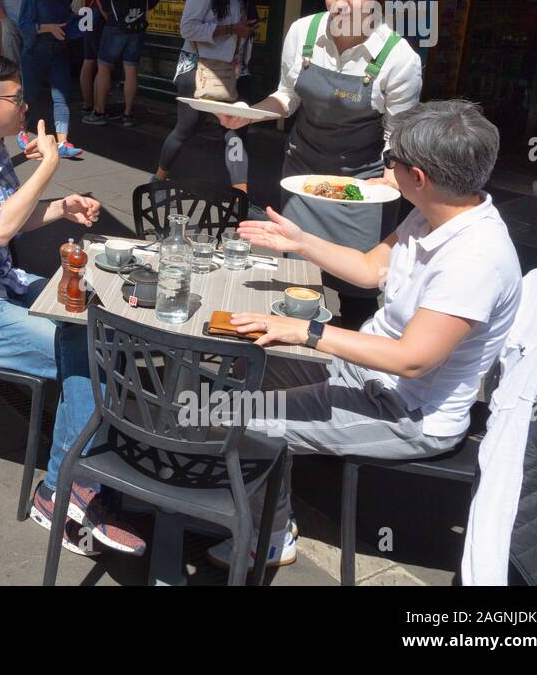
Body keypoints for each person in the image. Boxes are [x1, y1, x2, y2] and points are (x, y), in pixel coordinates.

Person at [215, 100, 521, 570]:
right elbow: (367, 269)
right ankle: (259, 495)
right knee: (246, 362)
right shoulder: (435, 212)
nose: (385, 169)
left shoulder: (475, 258)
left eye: (391, 162)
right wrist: (300, 242)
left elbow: (411, 360)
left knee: (247, 419)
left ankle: (271, 534)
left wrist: (307, 331)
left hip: (407, 412)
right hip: (364, 372)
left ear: (418, 177)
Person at [0, 52, 145, 556]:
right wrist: (51, 168)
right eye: (18, 99)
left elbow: (9, 218)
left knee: (110, 318)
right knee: (89, 352)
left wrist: (60, 206)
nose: (26, 105)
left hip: (2, 282)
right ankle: (62, 492)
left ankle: (101, 463)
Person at [216, 0, 423, 329]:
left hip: (361, 188)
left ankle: (347, 370)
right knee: (297, 280)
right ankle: (292, 359)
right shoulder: (303, 33)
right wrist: (249, 114)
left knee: (357, 291)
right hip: (303, 175)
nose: (341, 2)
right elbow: (287, 97)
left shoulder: (399, 59)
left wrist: (395, 178)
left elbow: (398, 135)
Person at [154, 0, 258, 195]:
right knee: (185, 129)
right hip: (201, 70)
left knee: (237, 133)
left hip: (235, 71)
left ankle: (241, 195)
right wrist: (232, 29)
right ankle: (158, 179)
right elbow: (187, 29)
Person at [89, 0, 164, 127]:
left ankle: (99, 111)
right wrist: (144, 8)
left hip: (115, 22)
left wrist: (110, 12)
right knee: (131, 69)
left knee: (104, 67)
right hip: (138, 21)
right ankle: (128, 114)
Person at [14, 0, 83, 159]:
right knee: (30, 96)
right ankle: (21, 130)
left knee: (61, 97)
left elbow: (67, 16)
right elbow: (24, 25)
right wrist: (49, 27)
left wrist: (80, 21)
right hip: (35, 53)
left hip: (58, 52)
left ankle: (62, 142)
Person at [77, 0, 110, 114]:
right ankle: (97, 104)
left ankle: (87, 101)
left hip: (85, 13)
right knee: (101, 62)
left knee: (88, 59)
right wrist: (107, 16)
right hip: (96, 15)